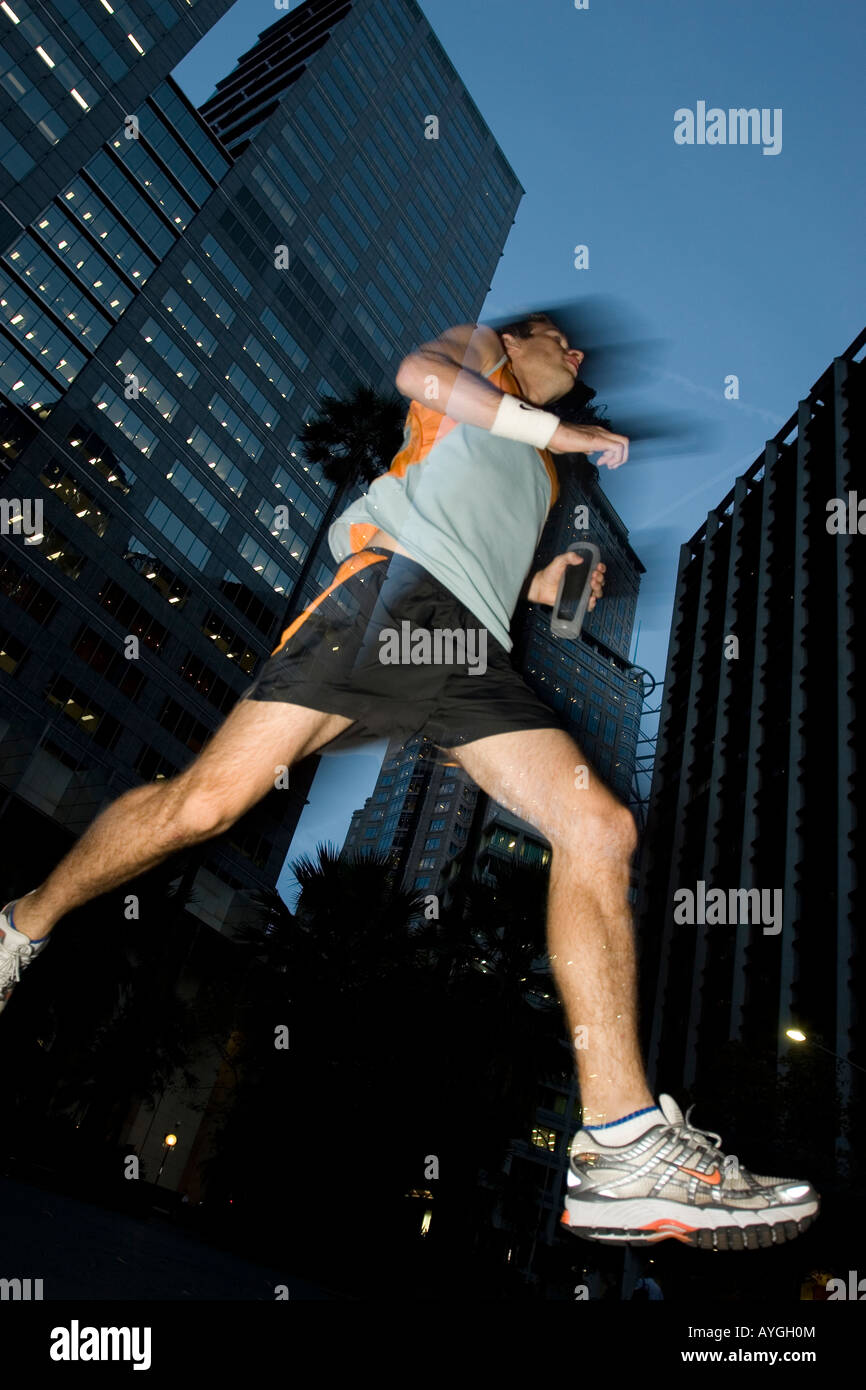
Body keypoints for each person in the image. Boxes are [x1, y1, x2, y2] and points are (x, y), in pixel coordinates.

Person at [0, 312, 819, 1248]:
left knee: (600, 829)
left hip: (471, 650)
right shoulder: (483, 357)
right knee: (207, 805)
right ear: (517, 344)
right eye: (560, 339)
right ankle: (21, 925)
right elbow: (418, 377)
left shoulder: (544, 471)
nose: (579, 356)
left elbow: (486, 549)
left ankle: (619, 1144)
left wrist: (546, 582)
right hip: (394, 594)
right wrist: (555, 429)